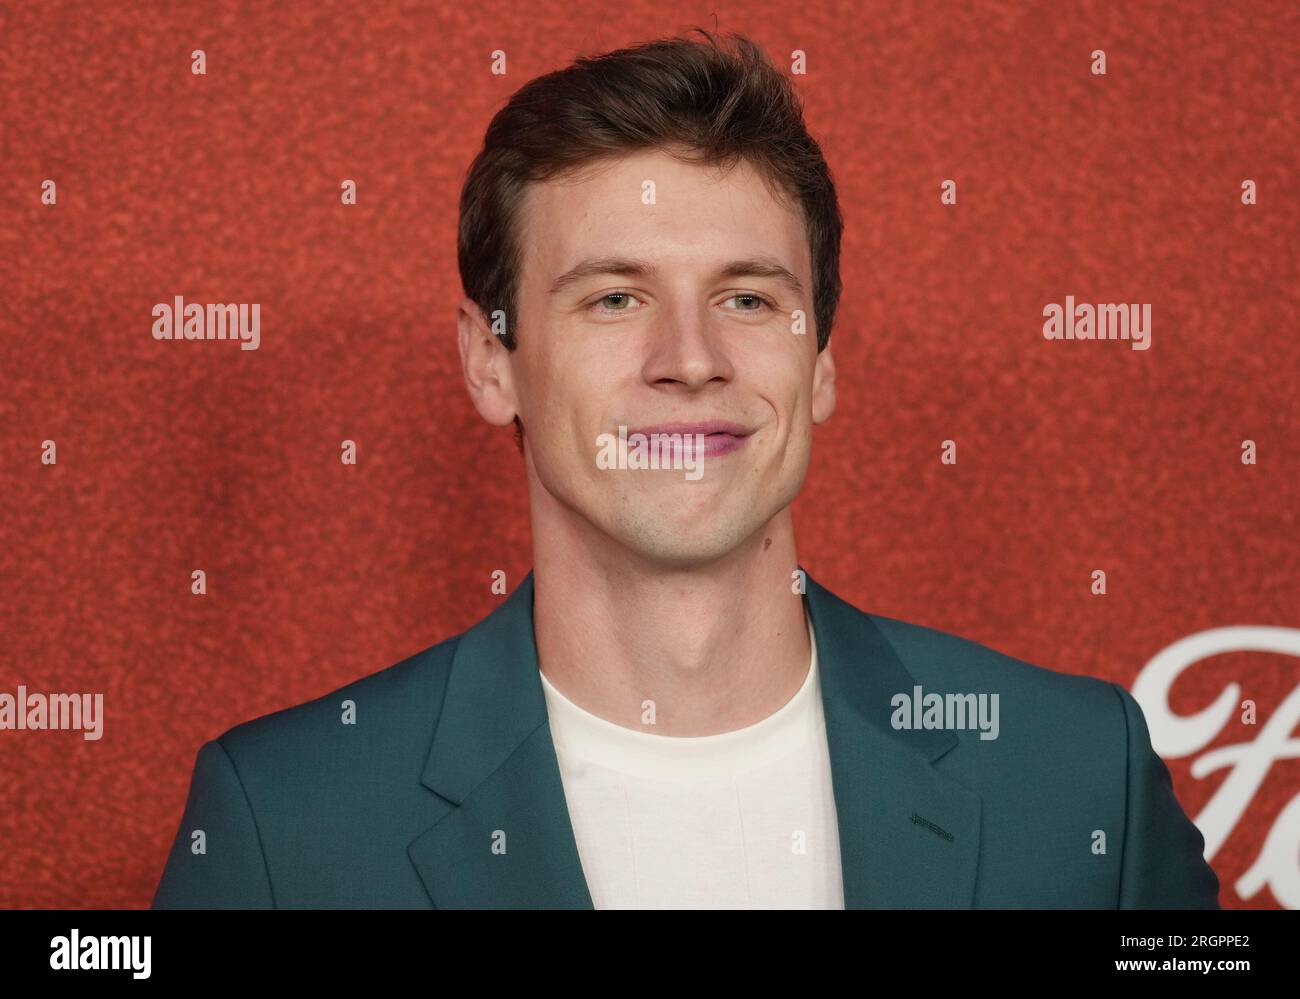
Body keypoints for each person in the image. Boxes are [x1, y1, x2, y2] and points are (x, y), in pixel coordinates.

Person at [152, 28, 1219, 909]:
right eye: (613, 298)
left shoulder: (1079, 777)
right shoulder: (289, 824)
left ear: (822, 363)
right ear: (492, 364)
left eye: (748, 298)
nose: (691, 359)